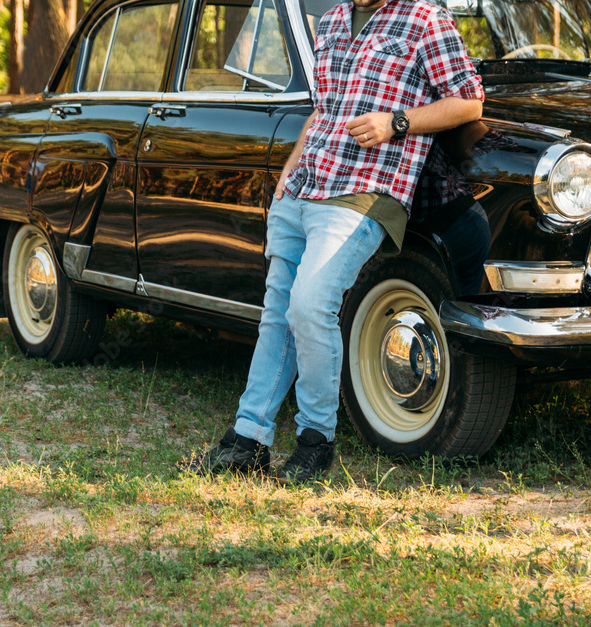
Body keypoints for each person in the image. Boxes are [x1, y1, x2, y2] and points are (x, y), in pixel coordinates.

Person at [185, 0, 485, 483]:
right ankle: (248, 439)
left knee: (310, 304)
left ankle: (316, 440)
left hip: (364, 192)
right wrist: (289, 168)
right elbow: (325, 108)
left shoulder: (424, 18)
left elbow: (469, 101)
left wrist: (396, 122)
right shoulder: (332, 21)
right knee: (277, 314)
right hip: (305, 185)